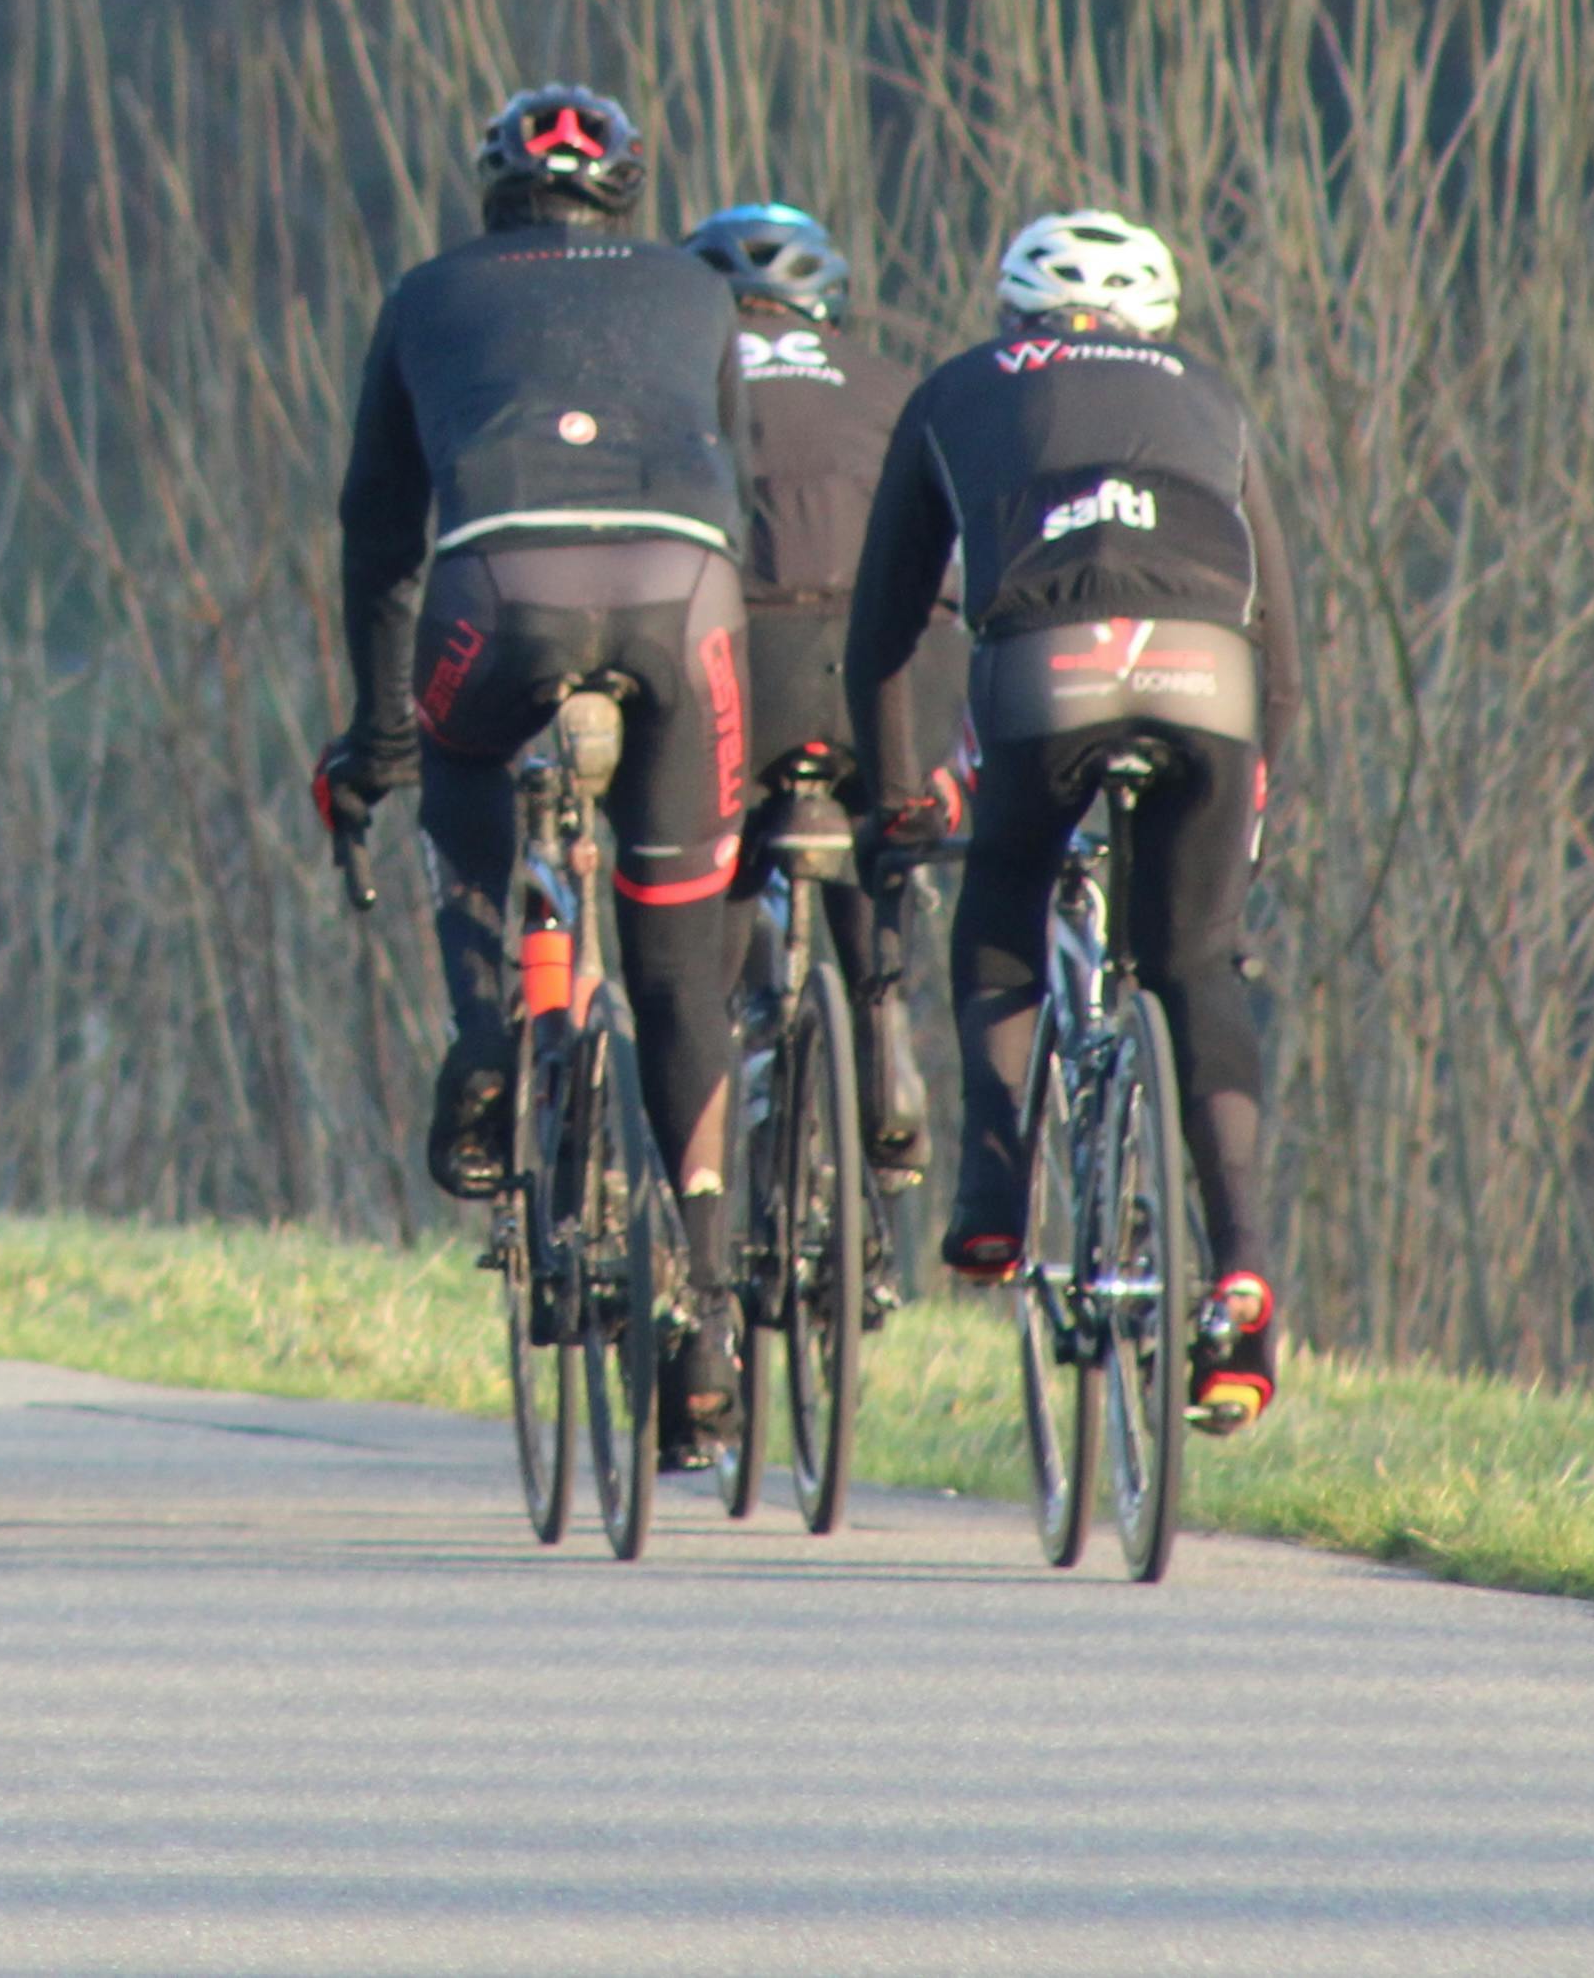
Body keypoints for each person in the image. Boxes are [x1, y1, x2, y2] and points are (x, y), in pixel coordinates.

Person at [318, 83, 764, 1466]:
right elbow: (737, 484)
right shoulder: (700, 289)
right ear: (628, 192)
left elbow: (376, 530)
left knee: (462, 782)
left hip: (493, 592)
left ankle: (490, 1044)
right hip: (681, 593)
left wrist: (381, 737)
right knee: (683, 963)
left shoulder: (424, 292)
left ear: (492, 195)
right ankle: (700, 1336)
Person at [840, 208, 1301, 1433]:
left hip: (1048, 667)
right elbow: (1285, 641)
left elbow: (884, 624)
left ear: (1017, 317)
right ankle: (1245, 1280)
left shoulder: (957, 389)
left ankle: (993, 1202)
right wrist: (1258, 793)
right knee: (1196, 961)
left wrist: (893, 797)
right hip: (1213, 678)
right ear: (1155, 323)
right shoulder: (1211, 394)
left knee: (1001, 907)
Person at [681, 201, 935, 1186]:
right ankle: (887, 1045)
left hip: (749, 648)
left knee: (703, 851)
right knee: (883, 830)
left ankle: (710, 1062)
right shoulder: (894, 385)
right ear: (827, 303)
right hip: (902, 655)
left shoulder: (686, 381)